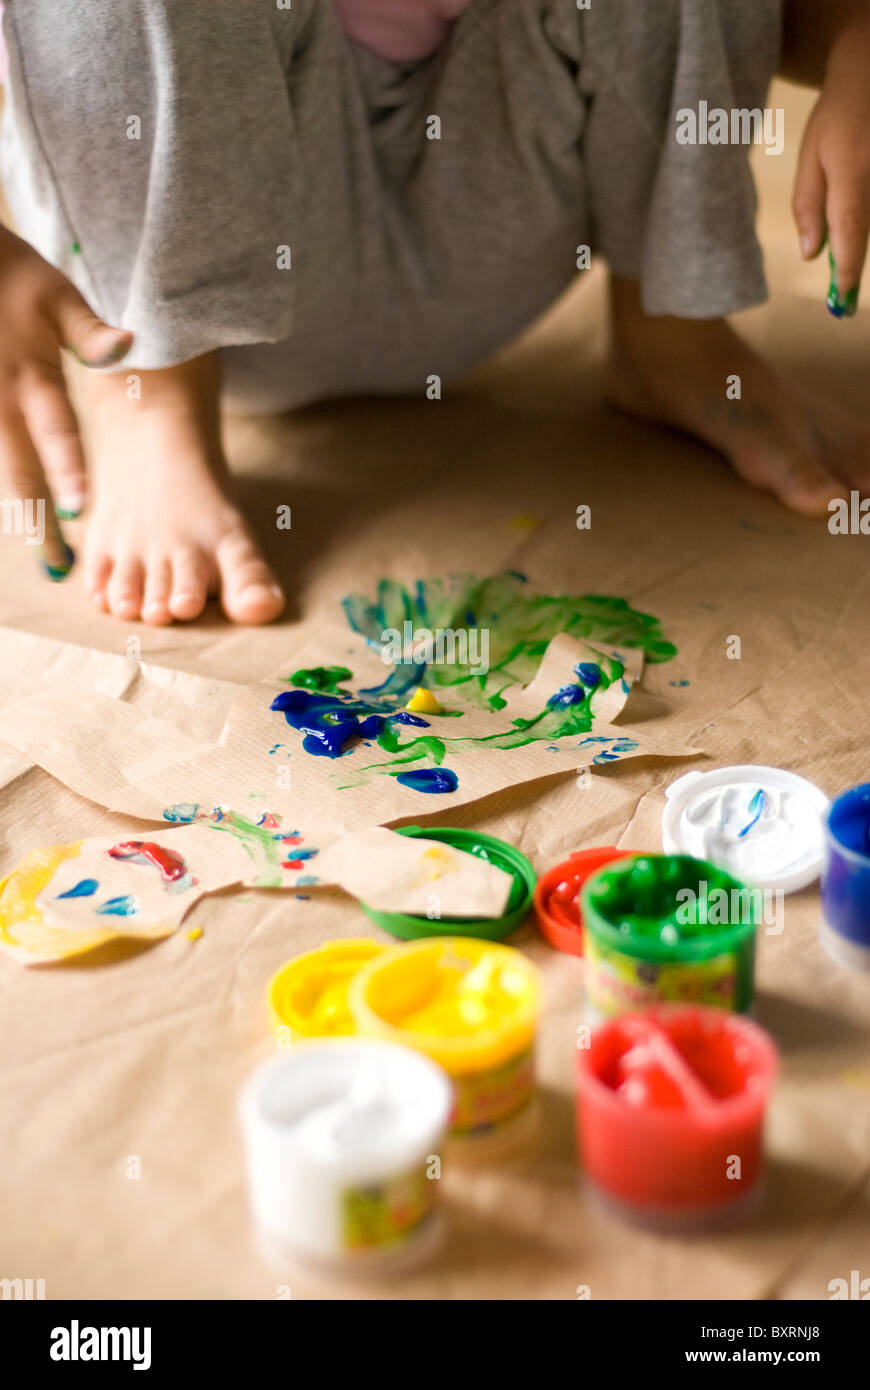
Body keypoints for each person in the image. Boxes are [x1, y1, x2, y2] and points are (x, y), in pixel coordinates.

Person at [0, 0, 867, 625]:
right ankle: (154, 390)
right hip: (175, 263)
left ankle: (671, 331)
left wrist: (858, 34)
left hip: (500, 208)